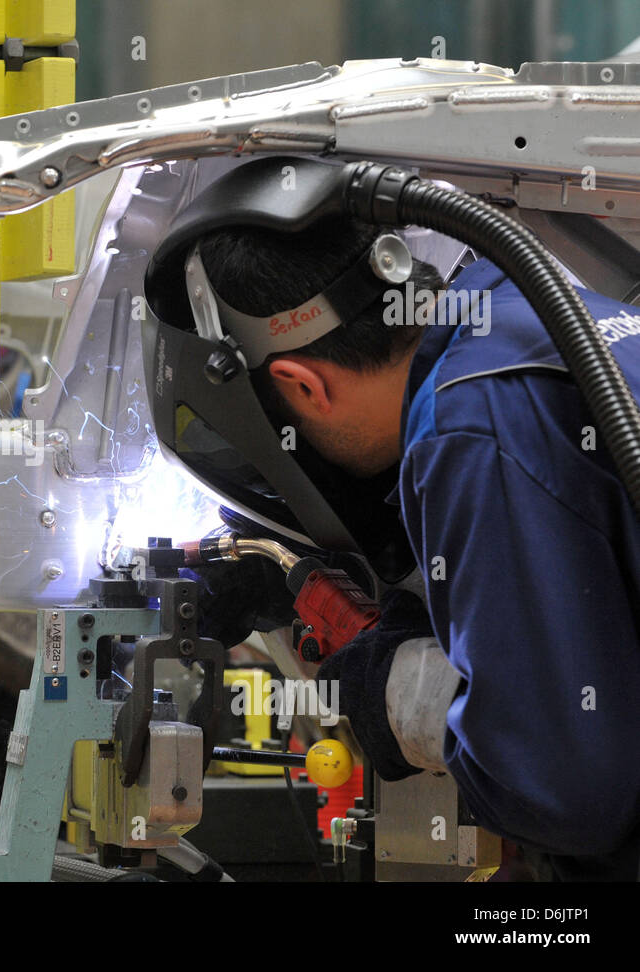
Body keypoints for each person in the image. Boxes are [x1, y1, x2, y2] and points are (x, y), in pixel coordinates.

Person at [174, 185, 640, 880]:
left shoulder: (467, 425)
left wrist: (383, 685)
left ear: (303, 387)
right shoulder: (522, 318)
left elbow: (563, 791)